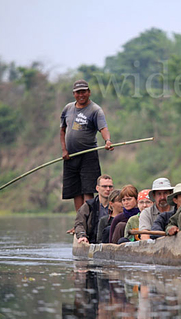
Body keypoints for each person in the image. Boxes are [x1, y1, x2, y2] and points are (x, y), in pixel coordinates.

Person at [60, 79, 113, 212]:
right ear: (74, 94)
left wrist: (107, 141)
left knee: (88, 189)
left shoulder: (95, 110)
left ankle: (89, 221)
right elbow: (62, 130)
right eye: (78, 92)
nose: (81, 95)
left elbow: (103, 128)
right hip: (71, 156)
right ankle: (79, 222)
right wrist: (64, 150)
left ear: (89, 92)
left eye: (83, 91)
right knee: (75, 190)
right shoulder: (68, 108)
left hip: (88, 155)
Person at [74, 175, 114, 244]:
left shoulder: (117, 205)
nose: (108, 189)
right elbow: (79, 224)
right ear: (97, 188)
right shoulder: (88, 205)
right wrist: (82, 235)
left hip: (111, 241)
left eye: (110, 187)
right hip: (92, 241)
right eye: (104, 186)